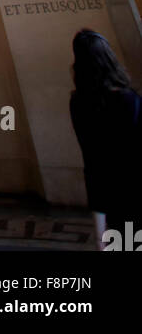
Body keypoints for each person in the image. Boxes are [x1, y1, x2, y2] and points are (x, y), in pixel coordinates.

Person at [69, 28, 142, 249]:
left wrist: (100, 228)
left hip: (114, 206)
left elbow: (92, 165)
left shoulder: (78, 105)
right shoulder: (129, 102)